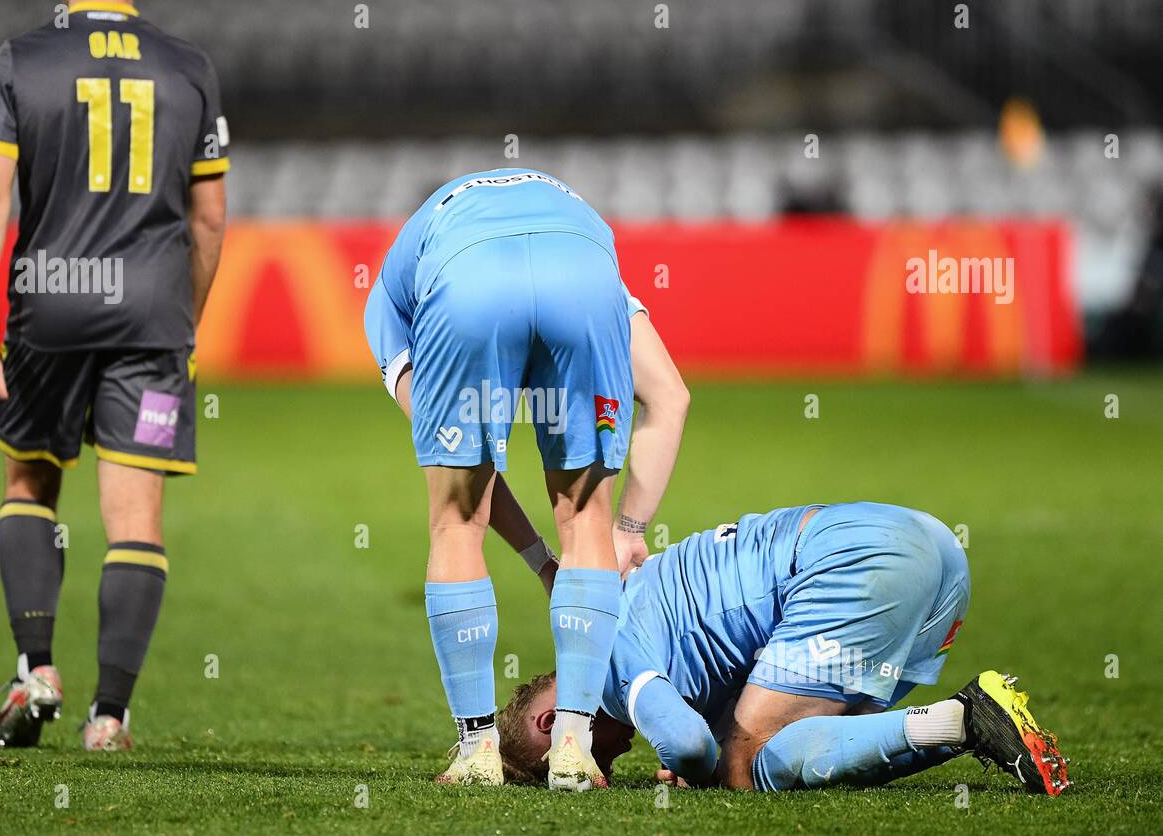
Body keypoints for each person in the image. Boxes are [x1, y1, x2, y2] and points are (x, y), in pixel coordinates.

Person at [0, 0, 229, 750]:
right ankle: (109, 716)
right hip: (151, 318)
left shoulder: (21, 59)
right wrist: (185, 325)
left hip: (50, 307)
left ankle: (36, 670)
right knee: (135, 520)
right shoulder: (189, 67)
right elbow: (209, 218)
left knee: (29, 481)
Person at [364, 169, 688, 789]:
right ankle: (573, 743)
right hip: (583, 271)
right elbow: (670, 398)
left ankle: (478, 749)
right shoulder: (578, 232)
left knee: (454, 520)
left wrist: (540, 560)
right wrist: (627, 529)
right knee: (585, 520)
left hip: (466, 287)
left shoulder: (389, 297)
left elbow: (468, 485)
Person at [497, 502, 1070, 796]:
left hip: (850, 566)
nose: (618, 757)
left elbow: (689, 744)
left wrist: (703, 765)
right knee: (814, 754)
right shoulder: (629, 618)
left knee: (747, 768)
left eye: (595, 758)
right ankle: (968, 726)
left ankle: (966, 720)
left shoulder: (600, 659)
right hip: (932, 552)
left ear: (552, 721)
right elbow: (731, 696)